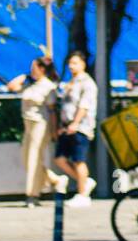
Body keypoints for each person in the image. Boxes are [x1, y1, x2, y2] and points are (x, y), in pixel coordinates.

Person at [5, 56, 65, 208]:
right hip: (28, 124)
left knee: (33, 158)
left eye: (34, 67)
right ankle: (54, 180)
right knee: (27, 158)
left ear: (42, 69)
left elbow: (52, 111)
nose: (32, 70)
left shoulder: (48, 86)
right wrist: (24, 76)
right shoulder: (30, 84)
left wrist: (53, 130)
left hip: (41, 124)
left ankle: (32, 195)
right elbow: (11, 87)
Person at [52, 51, 98, 207]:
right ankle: (84, 182)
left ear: (83, 63)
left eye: (75, 63)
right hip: (66, 126)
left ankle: (83, 194)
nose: (71, 66)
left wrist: (75, 123)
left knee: (79, 160)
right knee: (60, 158)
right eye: (70, 63)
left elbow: (84, 105)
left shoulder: (87, 83)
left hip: (81, 126)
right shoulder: (70, 82)